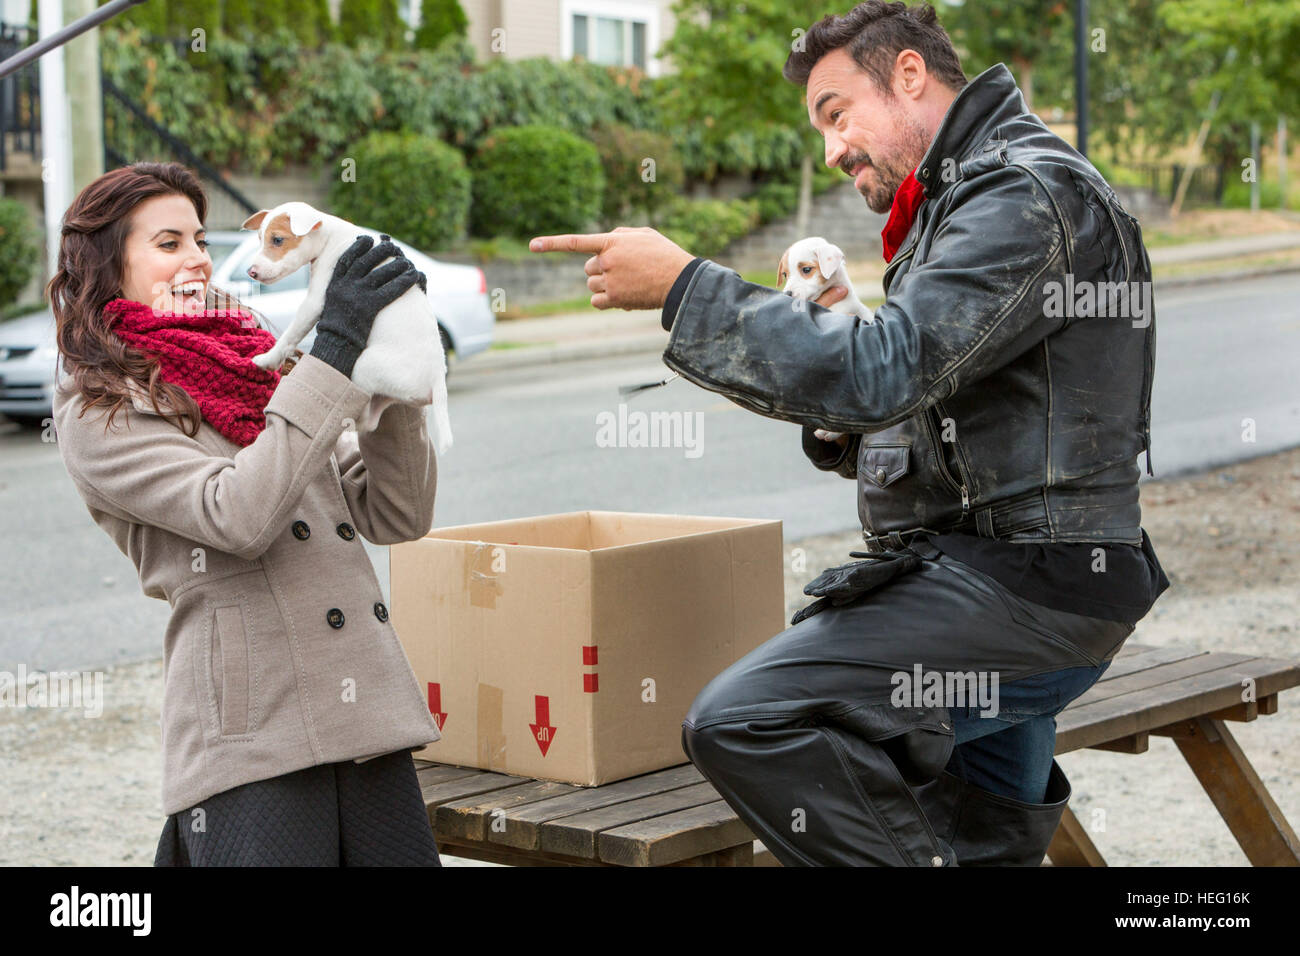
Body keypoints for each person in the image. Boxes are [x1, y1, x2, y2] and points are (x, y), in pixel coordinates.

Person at [530, 1, 1170, 866]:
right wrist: (836, 347)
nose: (831, 149)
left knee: (745, 720)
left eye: (837, 114)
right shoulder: (961, 197)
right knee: (979, 831)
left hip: (1027, 584)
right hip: (995, 576)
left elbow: (889, 368)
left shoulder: (1021, 190)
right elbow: (919, 400)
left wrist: (687, 287)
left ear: (910, 74)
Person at [50, 161, 444, 866]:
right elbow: (238, 515)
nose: (198, 257)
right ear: (108, 269)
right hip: (253, 732)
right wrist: (331, 356)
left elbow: (396, 514)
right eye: (169, 244)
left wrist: (393, 375)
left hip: (365, 710)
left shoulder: (253, 356)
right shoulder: (101, 408)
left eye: (199, 239)